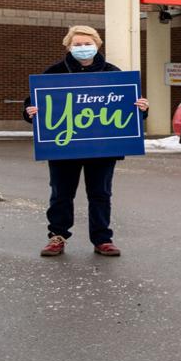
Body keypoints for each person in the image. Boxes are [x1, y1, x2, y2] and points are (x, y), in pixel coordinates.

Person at [23, 26, 148, 258]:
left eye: (87, 43)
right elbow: (33, 104)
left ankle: (102, 239)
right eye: (77, 44)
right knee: (61, 194)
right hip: (63, 147)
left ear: (97, 45)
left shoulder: (113, 73)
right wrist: (31, 111)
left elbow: (128, 112)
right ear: (69, 46)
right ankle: (57, 237)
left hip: (103, 148)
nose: (82, 48)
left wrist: (141, 109)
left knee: (100, 194)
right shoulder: (53, 74)